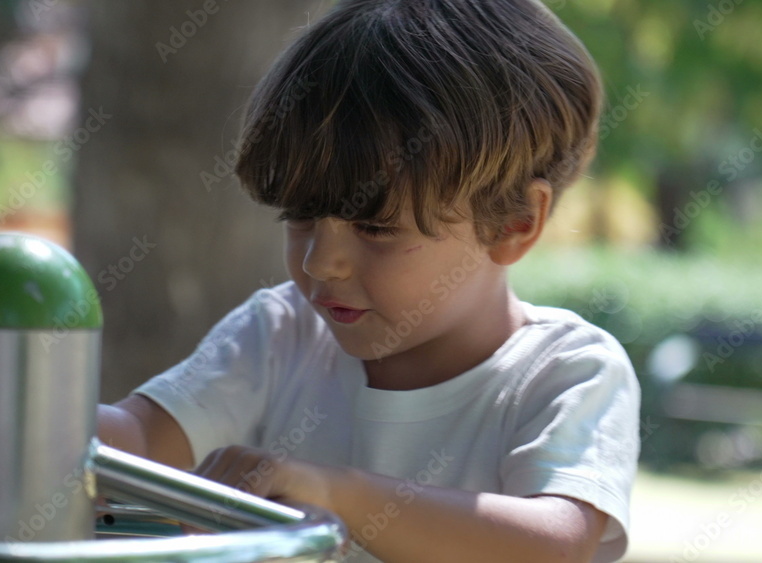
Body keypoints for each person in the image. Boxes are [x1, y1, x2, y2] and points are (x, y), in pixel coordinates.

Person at [97, 0, 640, 561]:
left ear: (514, 223)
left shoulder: (566, 374)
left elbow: (555, 544)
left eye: (375, 227)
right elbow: (138, 440)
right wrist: (19, 404)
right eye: (299, 217)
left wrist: (337, 494)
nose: (319, 263)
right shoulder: (278, 337)